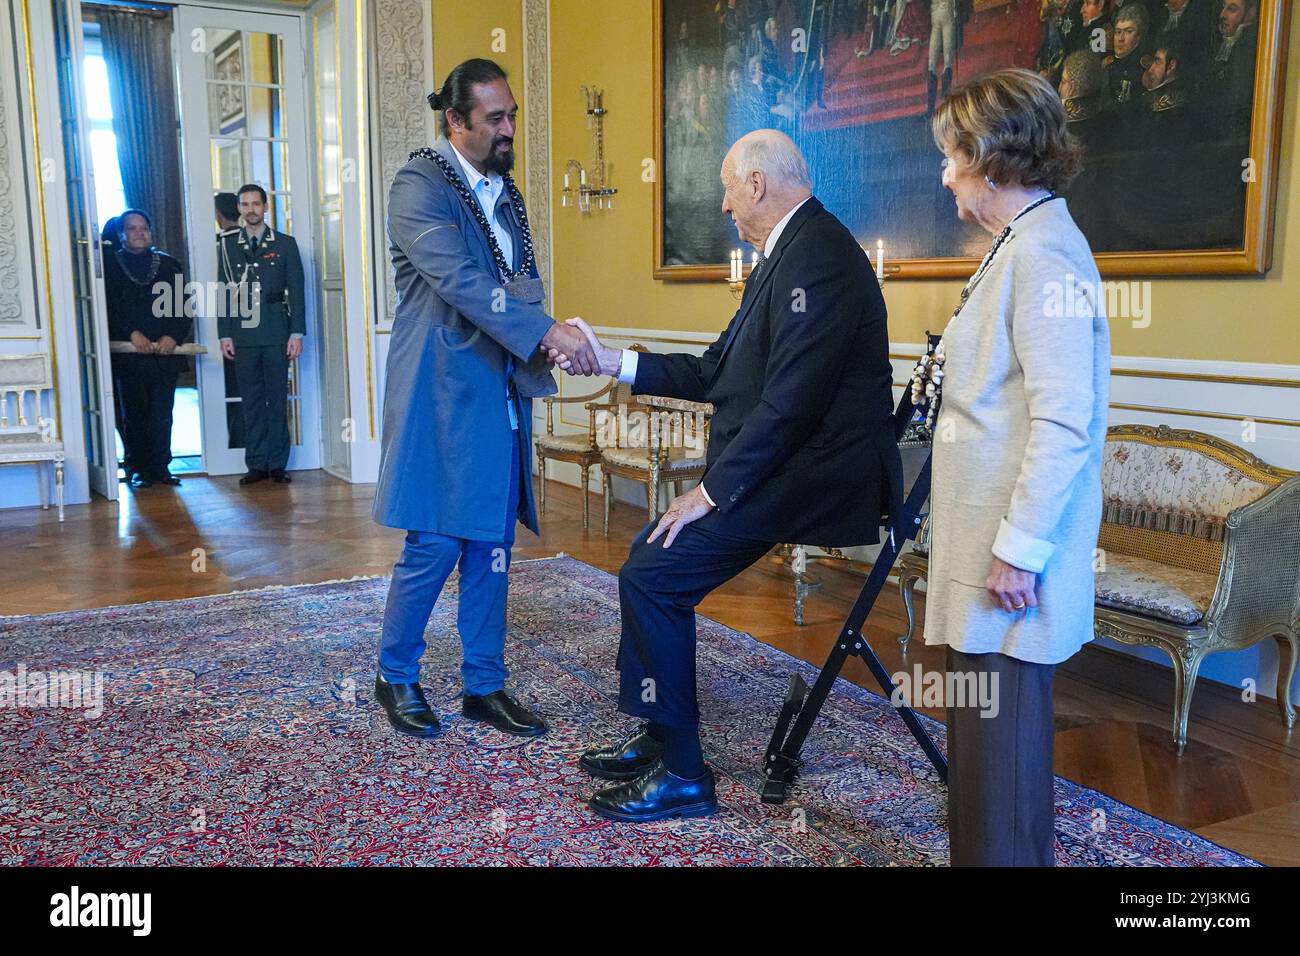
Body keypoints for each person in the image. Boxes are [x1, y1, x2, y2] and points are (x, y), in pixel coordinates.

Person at [549, 130, 902, 823]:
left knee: (654, 574)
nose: (722, 206)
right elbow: (717, 372)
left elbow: (792, 405)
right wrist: (615, 361)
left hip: (813, 475)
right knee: (650, 559)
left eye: (727, 189)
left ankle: (683, 775)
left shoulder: (819, 257)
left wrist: (708, 492)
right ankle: (658, 734)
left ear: (758, 185)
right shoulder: (787, 254)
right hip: (786, 464)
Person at [372, 58, 598, 741]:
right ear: (456, 120)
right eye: (494, 119)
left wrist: (555, 334)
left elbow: (518, 284)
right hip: (441, 393)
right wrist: (545, 332)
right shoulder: (419, 184)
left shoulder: (507, 195)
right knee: (435, 542)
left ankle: (484, 685)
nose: (508, 130)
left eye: (512, 117)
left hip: (500, 391)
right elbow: (462, 280)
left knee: (494, 545)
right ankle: (395, 674)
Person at [928, 68, 1110, 866]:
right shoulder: (1020, 245)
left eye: (951, 155)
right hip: (988, 542)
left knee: (997, 745)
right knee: (986, 745)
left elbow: (1065, 418)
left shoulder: (1044, 254)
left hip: (1008, 555)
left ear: (991, 156)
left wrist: (1021, 548)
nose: (944, 174)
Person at [216, 183, 306, 486]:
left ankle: (278, 464)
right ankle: (256, 463)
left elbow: (296, 290)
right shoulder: (227, 245)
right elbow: (224, 292)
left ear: (265, 207)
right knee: (251, 401)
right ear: (239, 208)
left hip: (276, 329)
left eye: (256, 204)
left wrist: (297, 333)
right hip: (242, 332)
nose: (251, 210)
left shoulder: (284, 244)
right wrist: (224, 334)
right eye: (245, 205)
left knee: (277, 400)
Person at [102, 210, 190, 490]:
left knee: (163, 413)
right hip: (129, 353)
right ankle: (138, 468)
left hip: (165, 353)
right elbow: (108, 307)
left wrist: (172, 336)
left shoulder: (169, 265)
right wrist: (131, 333)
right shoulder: (109, 266)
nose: (139, 232)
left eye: (144, 228)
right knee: (134, 414)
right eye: (132, 228)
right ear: (121, 234)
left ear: (151, 232)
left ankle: (162, 466)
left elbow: (184, 306)